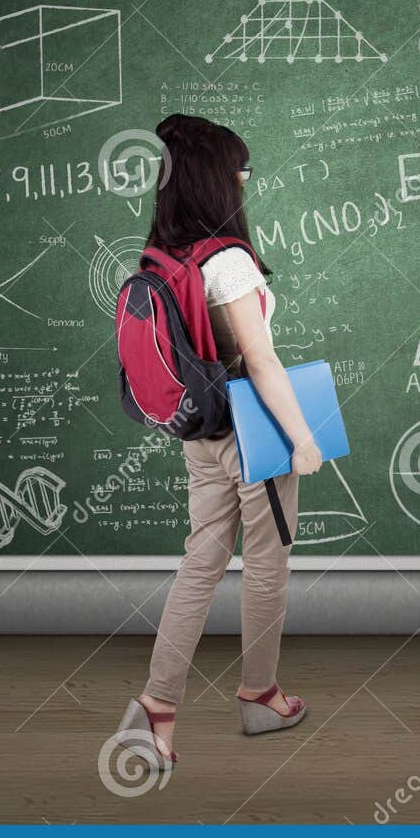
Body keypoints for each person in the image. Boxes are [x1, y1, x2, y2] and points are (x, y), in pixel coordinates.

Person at [114, 114, 322, 769]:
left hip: (197, 433)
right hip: (253, 430)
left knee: (200, 560)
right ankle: (261, 695)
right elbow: (259, 362)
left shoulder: (164, 256)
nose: (244, 180)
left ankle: (155, 707)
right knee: (266, 564)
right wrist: (303, 439)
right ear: (218, 179)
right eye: (241, 169)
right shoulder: (227, 260)